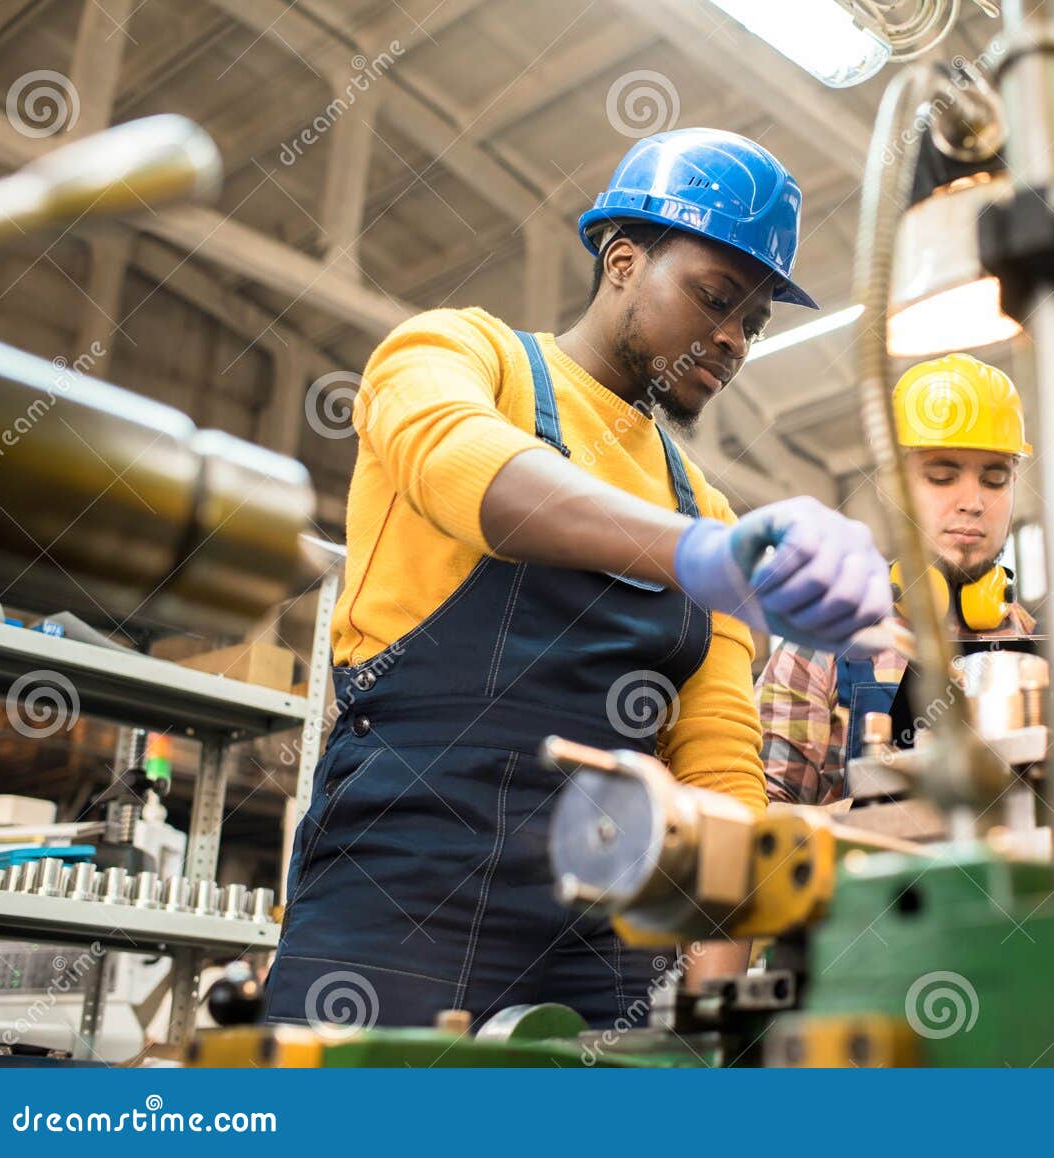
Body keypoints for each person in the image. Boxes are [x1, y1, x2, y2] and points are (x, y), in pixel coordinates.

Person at [265, 128, 891, 1031]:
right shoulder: (463, 356)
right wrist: (694, 558)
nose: (730, 340)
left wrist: (714, 1009)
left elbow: (717, 768)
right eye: (715, 298)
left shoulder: (703, 503)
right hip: (398, 886)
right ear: (625, 261)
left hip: (604, 936)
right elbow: (459, 462)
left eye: (753, 323)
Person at [757, 354, 1037, 805]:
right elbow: (763, 823)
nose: (973, 502)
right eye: (942, 477)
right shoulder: (821, 645)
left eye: (995, 479)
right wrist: (880, 821)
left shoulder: (1038, 651)